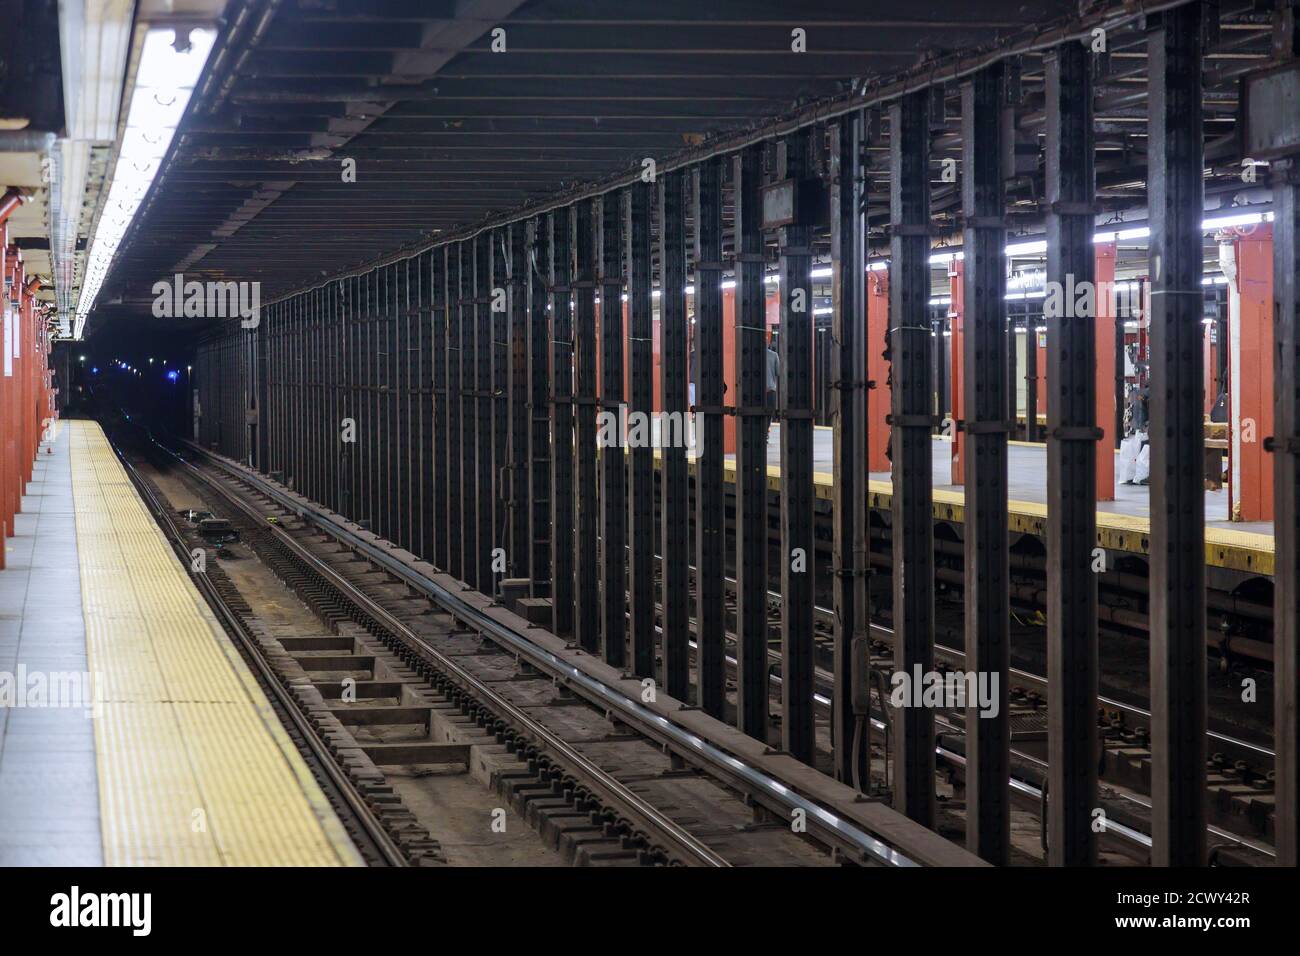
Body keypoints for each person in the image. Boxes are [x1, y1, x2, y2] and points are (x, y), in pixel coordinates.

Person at [765, 339, 779, 442]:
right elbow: (778, 372)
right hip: (770, 390)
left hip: (756, 393)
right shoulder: (774, 355)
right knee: (769, 413)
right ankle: (765, 433)